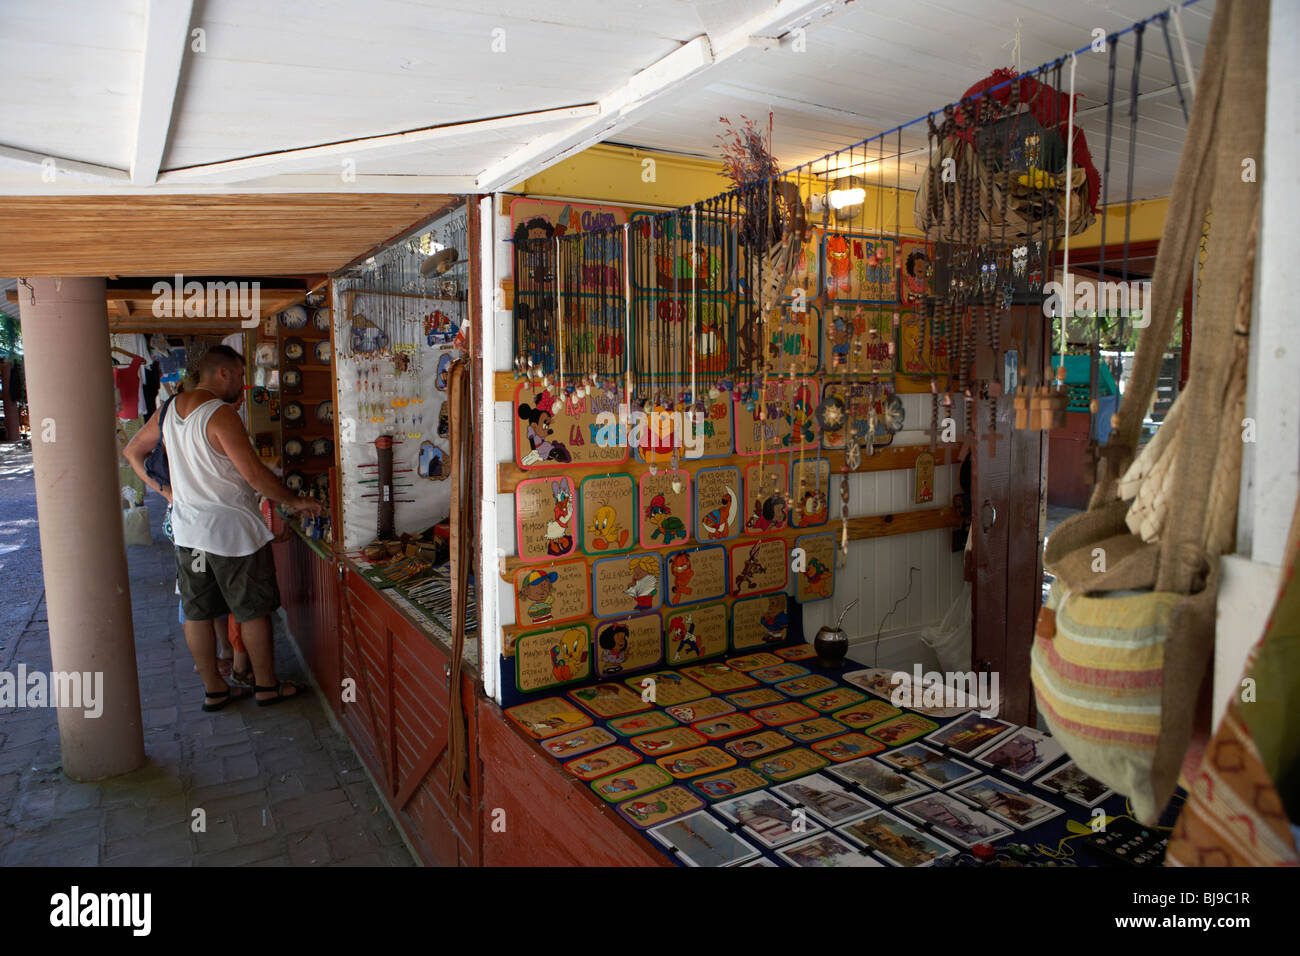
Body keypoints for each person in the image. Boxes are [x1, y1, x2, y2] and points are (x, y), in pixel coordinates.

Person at [124, 345, 320, 710]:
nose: (244, 386)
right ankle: (266, 686)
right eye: (242, 376)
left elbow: (133, 452)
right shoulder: (219, 413)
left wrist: (167, 493)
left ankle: (215, 690)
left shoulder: (168, 410)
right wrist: (295, 501)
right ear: (223, 374)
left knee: (197, 612)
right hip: (233, 538)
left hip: (189, 536)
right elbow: (255, 475)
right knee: (251, 610)